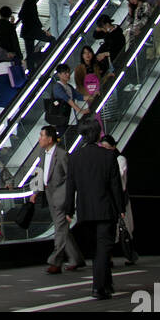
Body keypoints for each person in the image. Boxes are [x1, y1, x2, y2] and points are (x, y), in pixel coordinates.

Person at [64, 118, 124, 299]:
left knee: (97, 250)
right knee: (104, 248)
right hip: (106, 209)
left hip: (85, 211)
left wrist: (69, 210)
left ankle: (106, 284)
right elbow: (115, 186)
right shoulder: (108, 156)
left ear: (82, 136)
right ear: (99, 134)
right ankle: (99, 287)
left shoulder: (74, 158)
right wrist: (121, 208)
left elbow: (70, 186)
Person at [28, 126, 85, 274]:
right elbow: (40, 172)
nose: (39, 138)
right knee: (62, 228)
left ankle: (55, 261)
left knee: (60, 228)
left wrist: (69, 196)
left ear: (50, 139)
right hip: (49, 194)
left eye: (41, 135)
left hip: (61, 196)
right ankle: (75, 258)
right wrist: (35, 192)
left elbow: (71, 177)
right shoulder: (42, 153)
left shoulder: (62, 154)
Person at [99, 133, 134, 256]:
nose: (104, 150)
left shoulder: (120, 159)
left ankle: (129, 252)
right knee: (110, 229)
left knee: (125, 226)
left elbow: (117, 178)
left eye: (107, 147)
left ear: (113, 147)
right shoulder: (103, 160)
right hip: (108, 197)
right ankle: (110, 256)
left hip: (120, 197)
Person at [19, 0, 53, 74]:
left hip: (27, 31)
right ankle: (42, 56)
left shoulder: (28, 1)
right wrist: (42, 29)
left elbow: (21, 15)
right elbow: (34, 17)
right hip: (32, 30)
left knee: (29, 53)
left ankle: (31, 71)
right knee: (52, 40)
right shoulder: (30, 1)